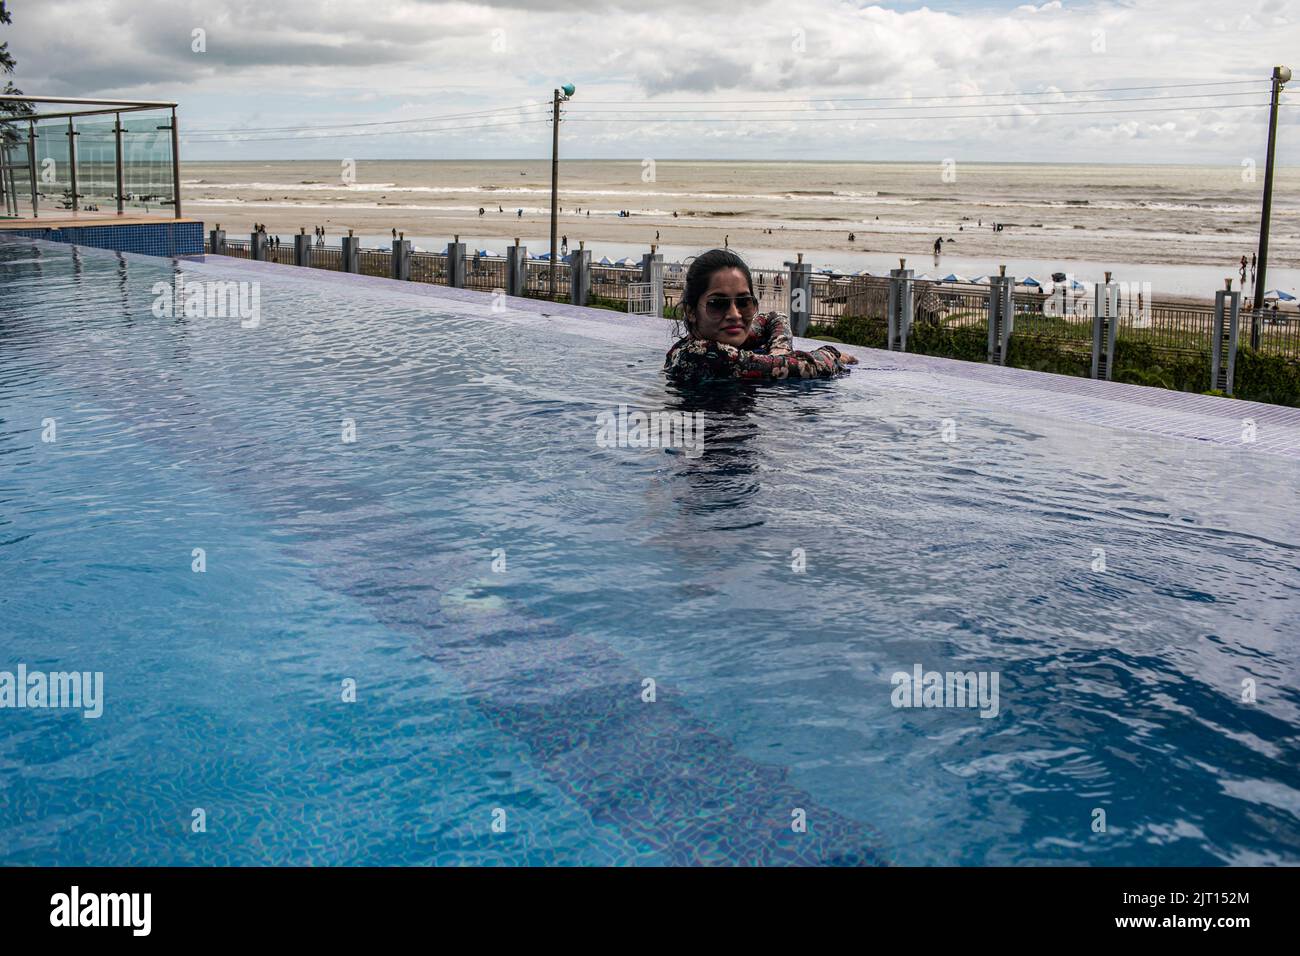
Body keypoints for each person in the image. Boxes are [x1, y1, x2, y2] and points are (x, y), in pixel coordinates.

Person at [664, 249, 856, 385]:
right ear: (691, 311)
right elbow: (811, 366)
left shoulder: (718, 340)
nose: (734, 314)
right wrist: (832, 353)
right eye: (717, 304)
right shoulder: (700, 355)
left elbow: (774, 317)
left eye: (744, 302)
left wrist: (780, 350)